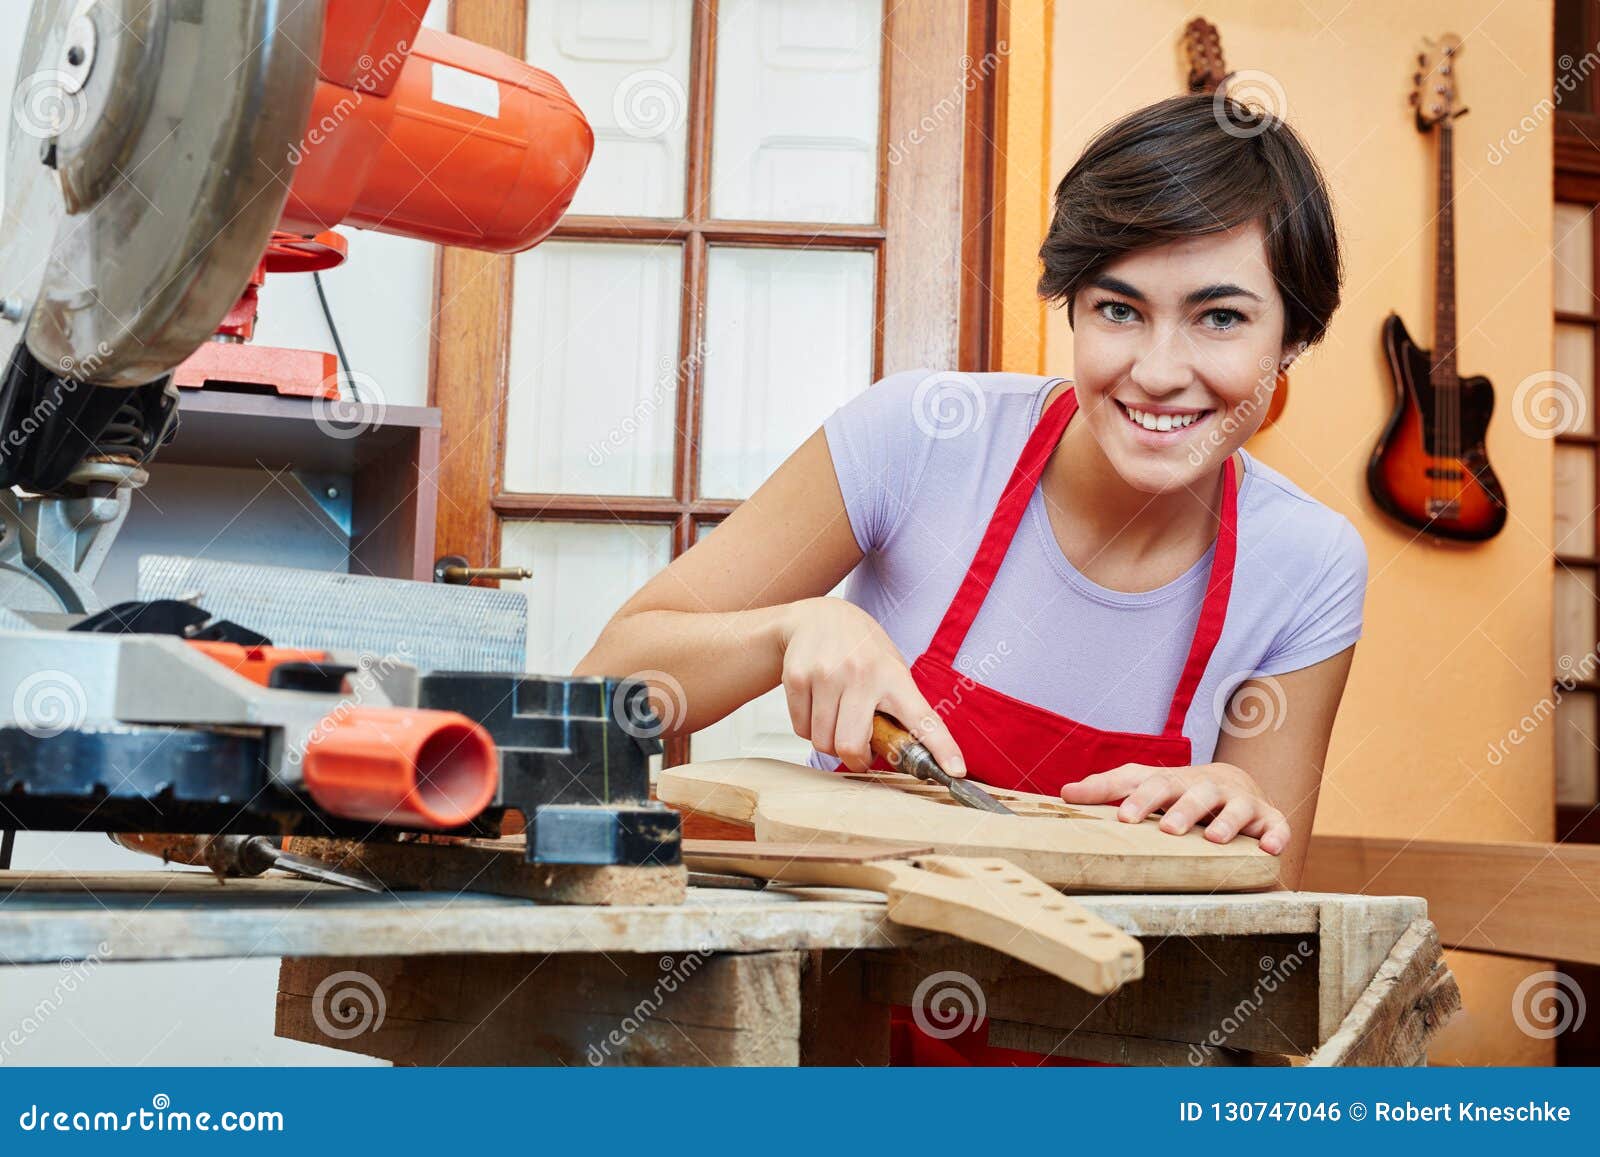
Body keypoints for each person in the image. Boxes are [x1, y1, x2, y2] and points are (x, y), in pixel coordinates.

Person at [577, 92, 1363, 903]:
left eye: (1221, 317)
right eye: (1118, 310)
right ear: (1071, 307)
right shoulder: (920, 438)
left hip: (1108, 1016)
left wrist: (1238, 824)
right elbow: (602, 691)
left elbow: (1268, 926)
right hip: (835, 998)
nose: (1160, 371)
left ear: (1295, 339)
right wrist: (787, 631)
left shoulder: (1309, 565)